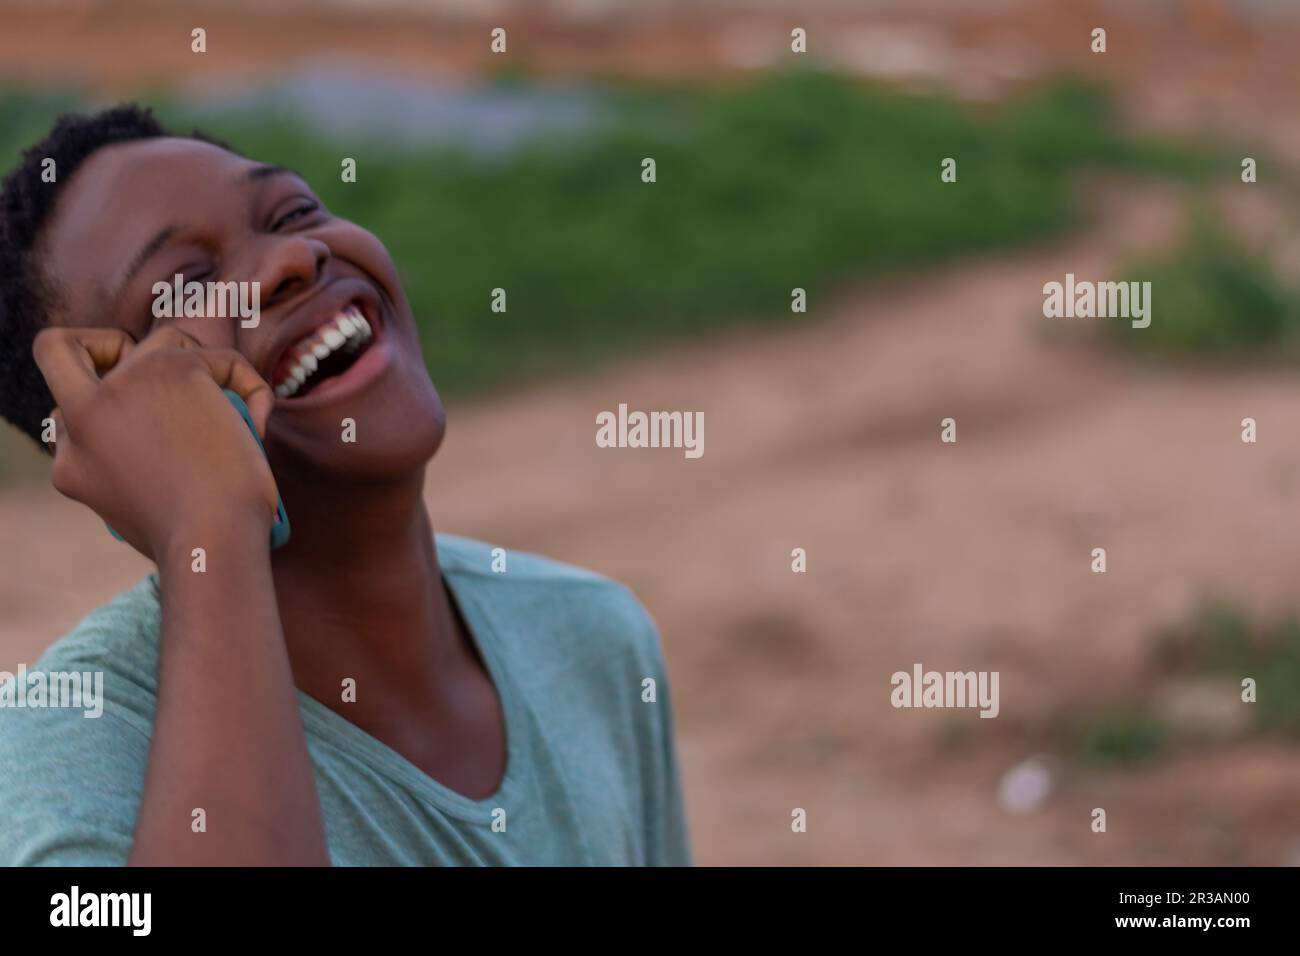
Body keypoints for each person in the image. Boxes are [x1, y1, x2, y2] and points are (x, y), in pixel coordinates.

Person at [0, 105, 691, 866]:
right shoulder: (63, 763)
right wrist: (206, 526)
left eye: (293, 211)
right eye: (186, 285)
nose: (291, 260)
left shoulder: (591, 636)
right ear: (106, 445)